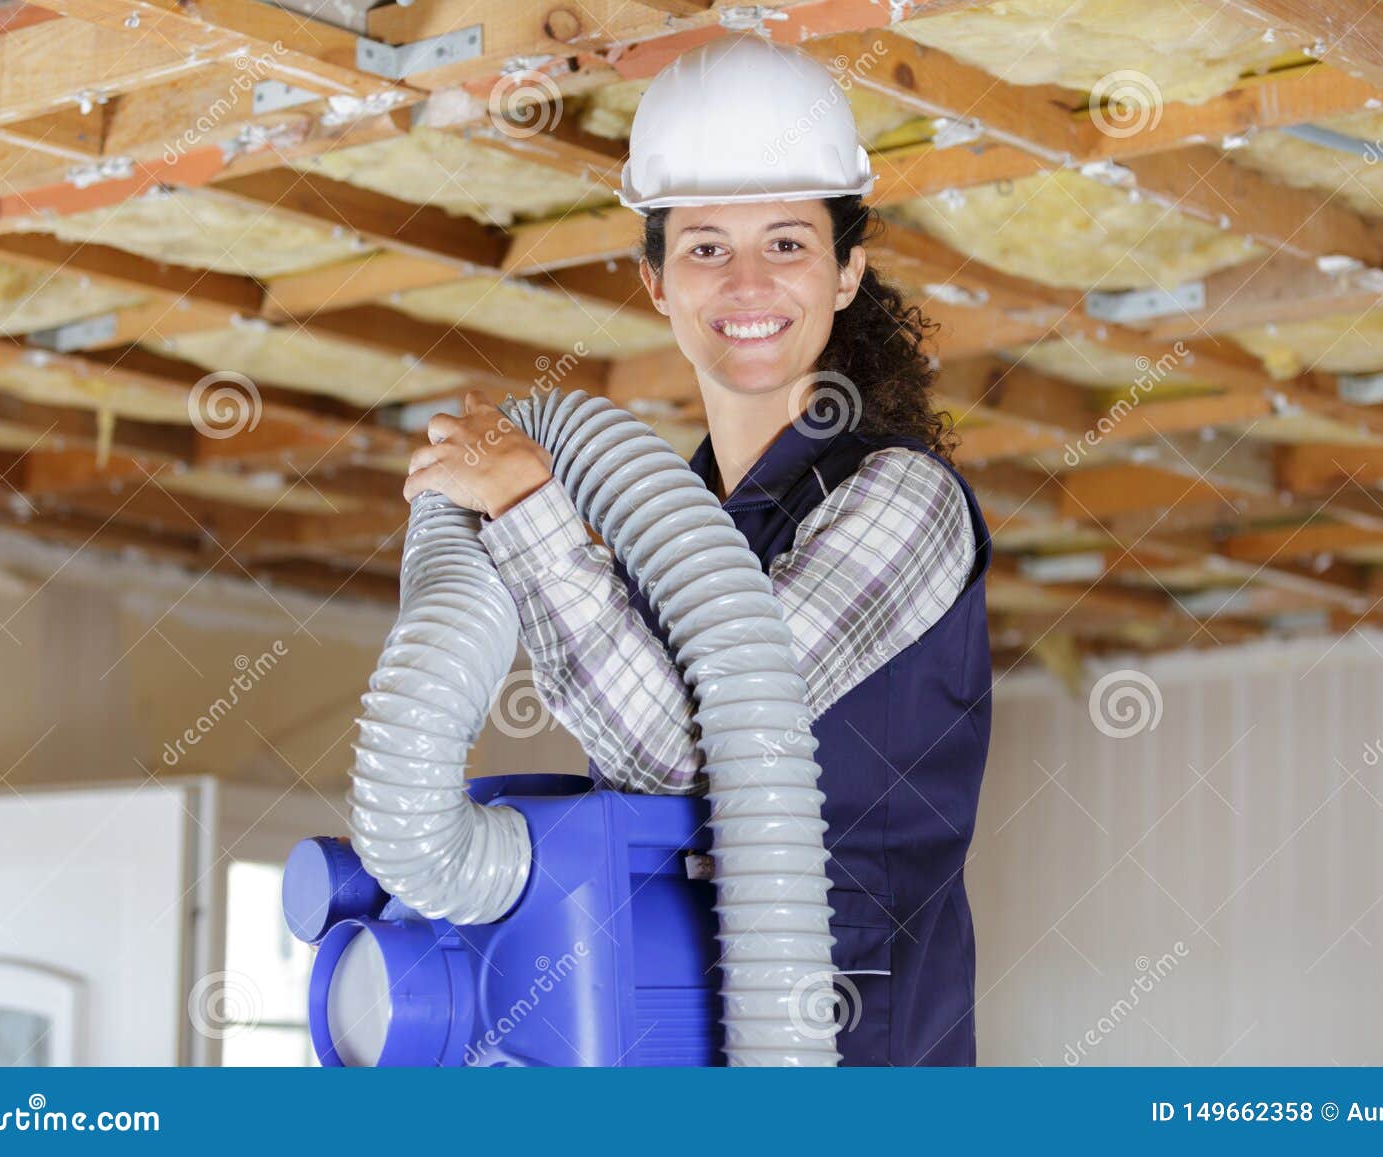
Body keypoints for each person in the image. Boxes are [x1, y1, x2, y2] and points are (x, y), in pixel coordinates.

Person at [402, 32, 994, 1067]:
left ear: (847, 271)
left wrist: (528, 510)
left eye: (787, 243)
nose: (747, 283)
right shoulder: (662, 522)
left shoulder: (903, 500)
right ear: (656, 281)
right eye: (707, 248)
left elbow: (696, 754)